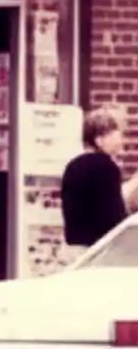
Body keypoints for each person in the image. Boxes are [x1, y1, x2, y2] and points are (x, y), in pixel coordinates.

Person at [61, 108, 133, 262]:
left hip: (74, 250)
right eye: (116, 134)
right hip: (98, 251)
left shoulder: (72, 166)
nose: (121, 140)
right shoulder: (106, 167)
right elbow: (113, 217)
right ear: (99, 140)